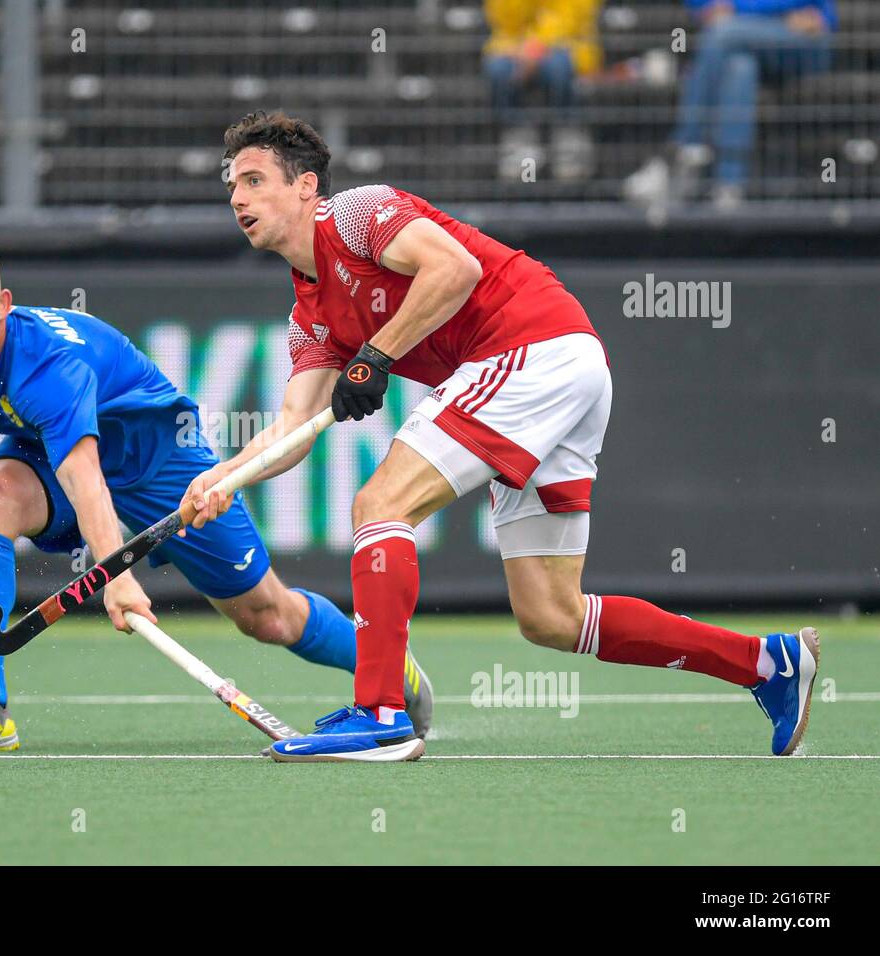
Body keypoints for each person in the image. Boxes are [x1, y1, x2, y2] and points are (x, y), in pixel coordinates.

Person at [187, 111, 818, 763]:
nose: (238, 198)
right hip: (560, 372)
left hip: (529, 347)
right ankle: (766, 665)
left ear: (305, 186)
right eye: (232, 185)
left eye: (255, 180)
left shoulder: (357, 214)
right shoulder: (309, 319)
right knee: (552, 615)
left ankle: (379, 712)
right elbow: (293, 431)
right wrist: (220, 480)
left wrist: (375, 356)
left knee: (380, 505)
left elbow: (453, 269)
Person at [0, 237, 433, 751]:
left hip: (162, 464)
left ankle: (386, 667)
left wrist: (115, 576)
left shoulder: (49, 364)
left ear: (3, 306)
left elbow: (85, 472)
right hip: (52, 458)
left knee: (267, 618)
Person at [625, 0, 836, 209]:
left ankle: (683, 148)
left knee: (722, 32)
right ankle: (729, 187)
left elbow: (816, 10)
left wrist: (738, 9)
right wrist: (709, 9)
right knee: (740, 67)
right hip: (742, 39)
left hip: (803, 36)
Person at [483, 0, 604, 182]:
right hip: (513, 46)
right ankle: (519, 143)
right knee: (498, 69)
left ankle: (568, 143)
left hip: (567, 44)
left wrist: (536, 48)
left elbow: (573, 17)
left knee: (559, 67)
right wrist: (523, 50)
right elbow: (503, 18)